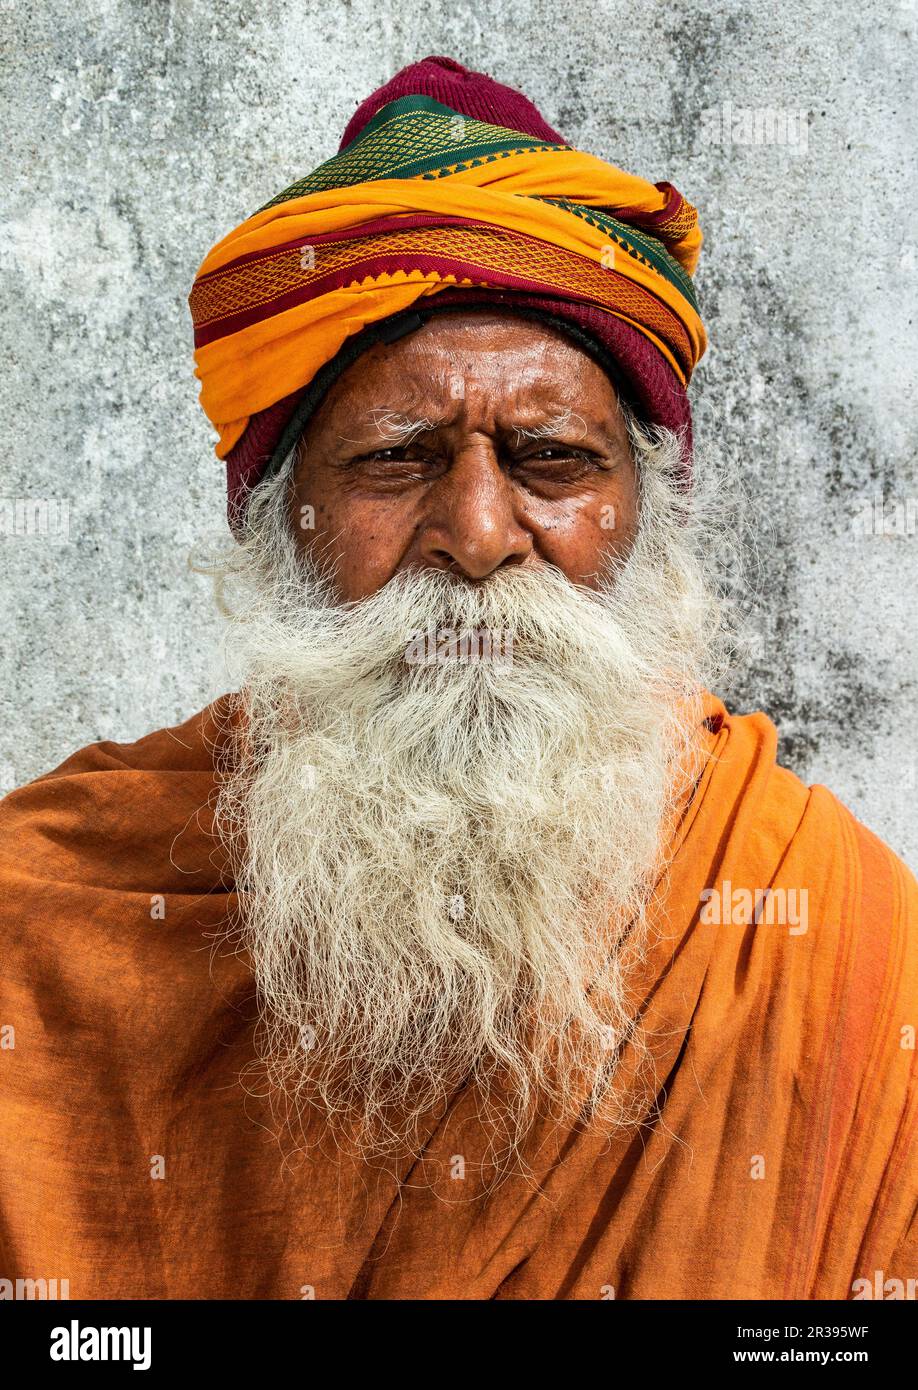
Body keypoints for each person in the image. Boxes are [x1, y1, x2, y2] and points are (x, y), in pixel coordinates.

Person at [0, 56, 914, 1301]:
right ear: (275, 517)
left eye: (549, 458)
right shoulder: (47, 926)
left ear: (646, 511)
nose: (479, 535)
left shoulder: (828, 935)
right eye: (394, 459)